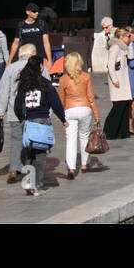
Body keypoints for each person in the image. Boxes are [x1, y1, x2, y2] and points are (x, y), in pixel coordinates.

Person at [14, 54, 66, 196]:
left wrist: (22, 119)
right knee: (40, 156)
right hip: (42, 123)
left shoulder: (24, 85)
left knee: (29, 154)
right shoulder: (45, 84)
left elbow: (17, 106)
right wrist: (63, 119)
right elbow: (55, 103)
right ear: (41, 67)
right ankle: (36, 186)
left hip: (29, 123)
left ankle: (28, 181)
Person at [0, 43, 37, 183]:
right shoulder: (38, 68)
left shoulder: (11, 69)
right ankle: (29, 167)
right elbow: (47, 87)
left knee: (16, 140)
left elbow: (3, 91)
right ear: (32, 54)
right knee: (32, 139)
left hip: (15, 110)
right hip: (34, 110)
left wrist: (0, 111)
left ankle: (13, 169)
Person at [56, 52, 99, 180]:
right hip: (85, 108)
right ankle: (85, 164)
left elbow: (61, 99)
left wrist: (61, 115)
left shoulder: (63, 79)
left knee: (71, 139)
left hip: (70, 109)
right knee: (85, 136)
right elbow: (91, 97)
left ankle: (71, 167)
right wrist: (96, 114)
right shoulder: (86, 77)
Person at [103, 27, 134, 140]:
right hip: (117, 80)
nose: (129, 38)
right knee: (118, 106)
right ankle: (109, 131)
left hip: (124, 80)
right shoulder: (115, 47)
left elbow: (131, 57)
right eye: (128, 36)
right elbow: (110, 65)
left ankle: (122, 131)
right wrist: (115, 80)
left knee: (126, 106)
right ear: (121, 37)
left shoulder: (123, 47)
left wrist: (130, 44)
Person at [7, 3, 51, 74]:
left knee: (40, 78)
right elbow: (16, 43)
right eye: (34, 11)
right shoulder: (21, 25)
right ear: (28, 12)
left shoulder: (42, 24)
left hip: (39, 57)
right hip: (25, 57)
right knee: (25, 77)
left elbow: (46, 42)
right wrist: (9, 61)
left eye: (37, 11)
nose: (37, 13)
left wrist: (49, 60)